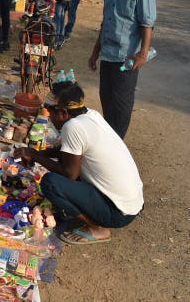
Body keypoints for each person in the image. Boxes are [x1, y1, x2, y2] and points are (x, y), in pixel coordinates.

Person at [14, 82, 144, 244]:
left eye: (50, 112)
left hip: (117, 213)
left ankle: (98, 228)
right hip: (132, 204)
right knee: (64, 169)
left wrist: (34, 154)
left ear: (62, 113)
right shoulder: (90, 115)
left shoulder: (72, 127)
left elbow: (70, 174)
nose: (48, 117)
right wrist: (36, 155)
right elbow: (67, 152)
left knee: (50, 183)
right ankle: (90, 212)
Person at [89, 0, 156, 139]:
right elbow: (106, 23)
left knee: (120, 106)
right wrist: (95, 52)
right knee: (107, 101)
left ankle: (116, 145)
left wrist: (142, 54)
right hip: (108, 55)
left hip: (126, 58)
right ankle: (109, 142)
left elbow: (147, 23)